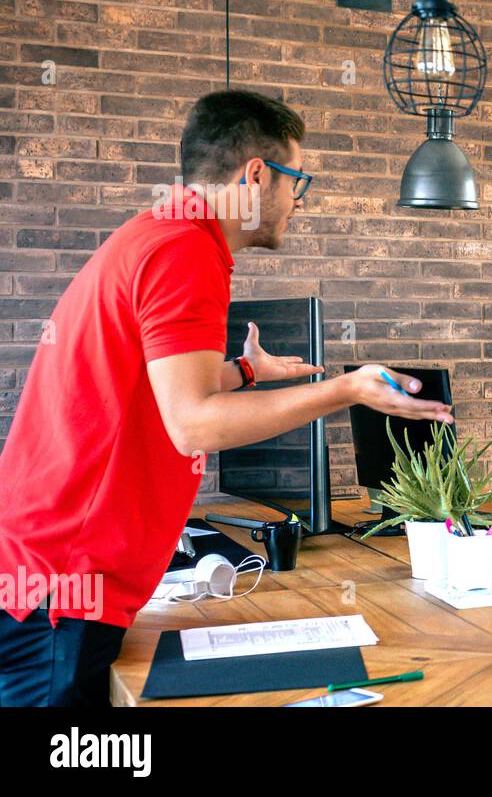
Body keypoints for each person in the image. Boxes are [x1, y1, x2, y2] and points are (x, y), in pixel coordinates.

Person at [0, 89, 453, 706]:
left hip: (51, 565)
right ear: (258, 174)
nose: (300, 200)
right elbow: (192, 425)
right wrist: (344, 390)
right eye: (299, 181)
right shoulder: (185, 250)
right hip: (64, 579)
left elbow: (155, 380)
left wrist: (244, 370)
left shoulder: (162, 233)